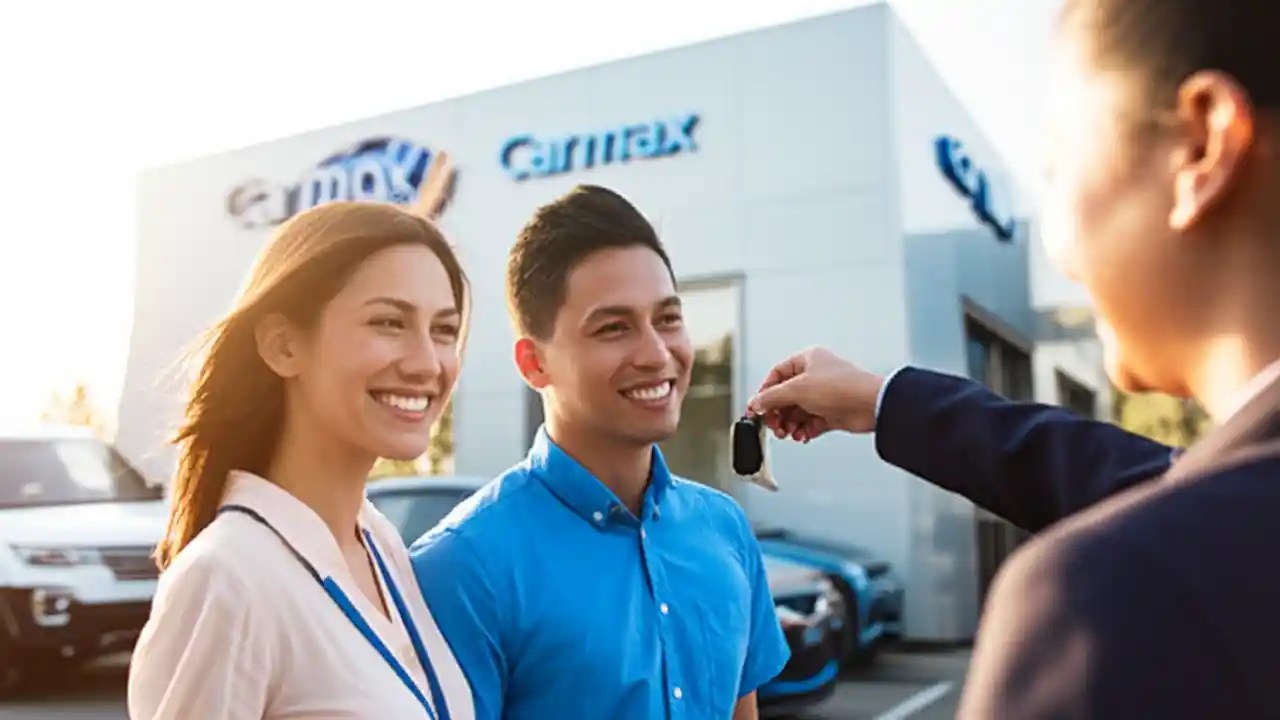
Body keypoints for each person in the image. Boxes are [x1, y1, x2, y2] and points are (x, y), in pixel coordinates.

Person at [748, 0, 1280, 716]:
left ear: (1200, 147)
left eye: (1058, 163)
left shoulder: (1109, 601)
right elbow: (1161, 481)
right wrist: (881, 401)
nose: (1057, 242)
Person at [409, 185, 790, 720]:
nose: (657, 354)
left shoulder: (723, 527)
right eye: (614, 328)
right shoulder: (460, 567)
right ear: (534, 364)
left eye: (668, 318)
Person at [128, 202, 475, 720]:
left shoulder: (377, 542)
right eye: (388, 322)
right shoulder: (226, 578)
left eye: (444, 330)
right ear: (283, 346)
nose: (427, 362)